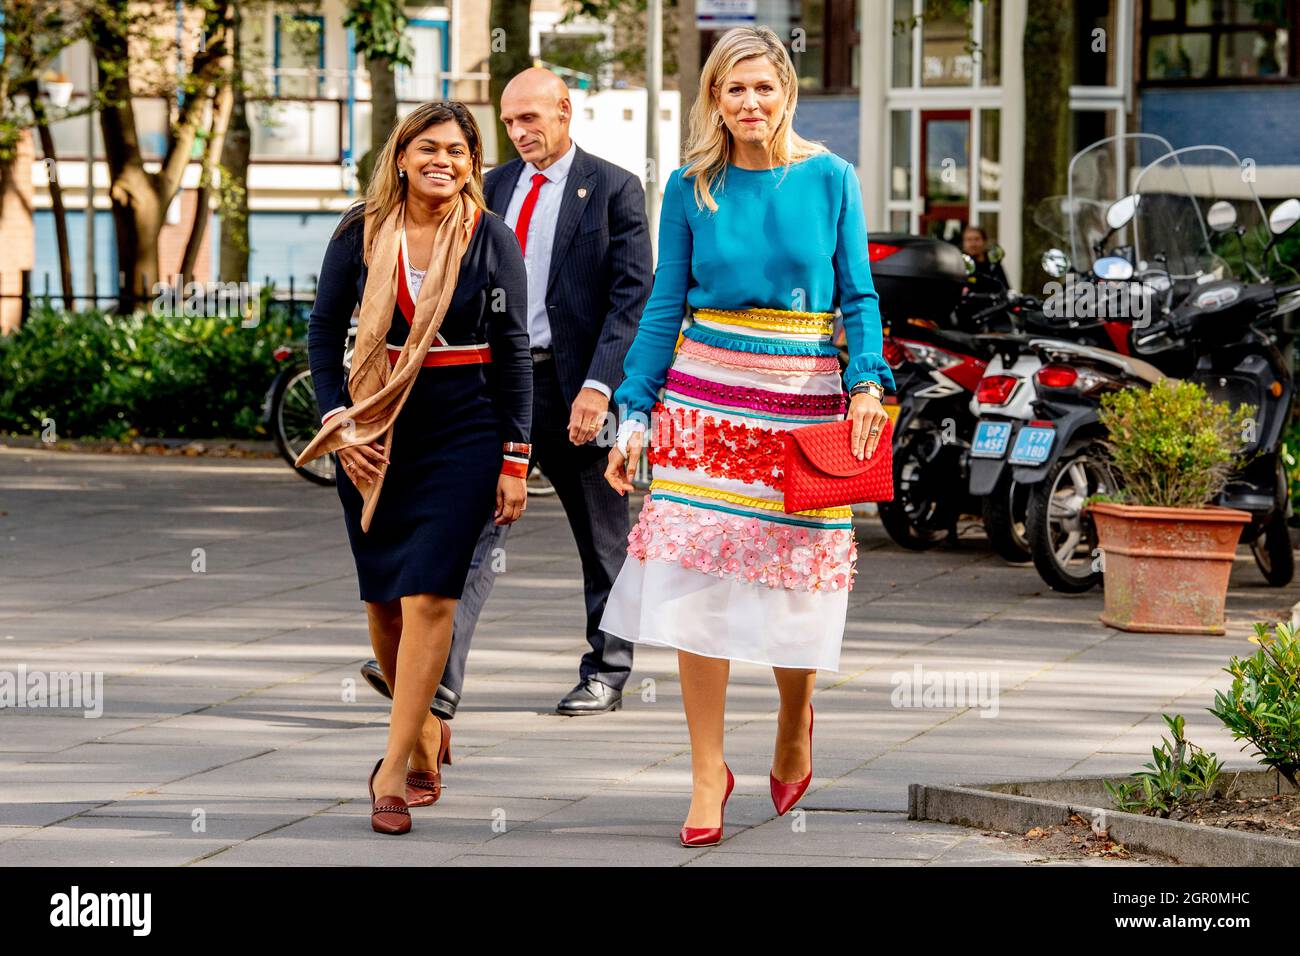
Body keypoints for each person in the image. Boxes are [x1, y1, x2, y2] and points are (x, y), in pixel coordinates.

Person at [598, 26, 894, 848]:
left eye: (763, 87)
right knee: (696, 582)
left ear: (785, 91)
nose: (750, 103)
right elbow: (663, 306)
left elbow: (859, 297)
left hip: (803, 396)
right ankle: (705, 773)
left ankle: (795, 719)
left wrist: (868, 382)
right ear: (714, 100)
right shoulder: (694, 188)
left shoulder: (831, 178)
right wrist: (635, 407)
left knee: (797, 581)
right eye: (734, 90)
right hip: (704, 400)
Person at [360, 68, 652, 718]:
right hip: (496, 388)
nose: (520, 132)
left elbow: (633, 297)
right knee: (474, 538)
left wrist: (601, 387)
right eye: (510, 121)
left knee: (603, 538)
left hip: (577, 389)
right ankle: (436, 678)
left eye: (531, 118)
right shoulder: (489, 189)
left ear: (565, 111)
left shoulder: (613, 189)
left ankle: (607, 669)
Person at [294, 101, 532, 835]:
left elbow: (516, 348)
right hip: (371, 428)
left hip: (464, 428)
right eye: (429, 148)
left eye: (459, 151)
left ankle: (393, 770)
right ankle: (425, 727)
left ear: (472, 163)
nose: (445, 161)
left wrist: (516, 457)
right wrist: (338, 420)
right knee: (384, 604)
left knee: (433, 598)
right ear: (400, 156)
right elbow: (324, 329)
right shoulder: (358, 231)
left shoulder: (491, 238)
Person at [961, 224, 1009, 289]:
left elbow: (1005, 287)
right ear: (964, 243)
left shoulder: (993, 264)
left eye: (977, 239)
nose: (973, 244)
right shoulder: (960, 264)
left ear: (984, 241)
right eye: (969, 240)